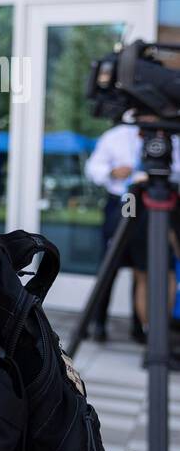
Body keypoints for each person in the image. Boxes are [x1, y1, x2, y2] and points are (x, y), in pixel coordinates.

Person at [84, 120, 180, 345]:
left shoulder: (171, 136)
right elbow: (93, 168)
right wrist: (112, 172)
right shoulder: (116, 136)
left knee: (144, 267)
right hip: (123, 201)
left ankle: (144, 328)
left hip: (156, 203)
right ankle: (98, 322)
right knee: (110, 263)